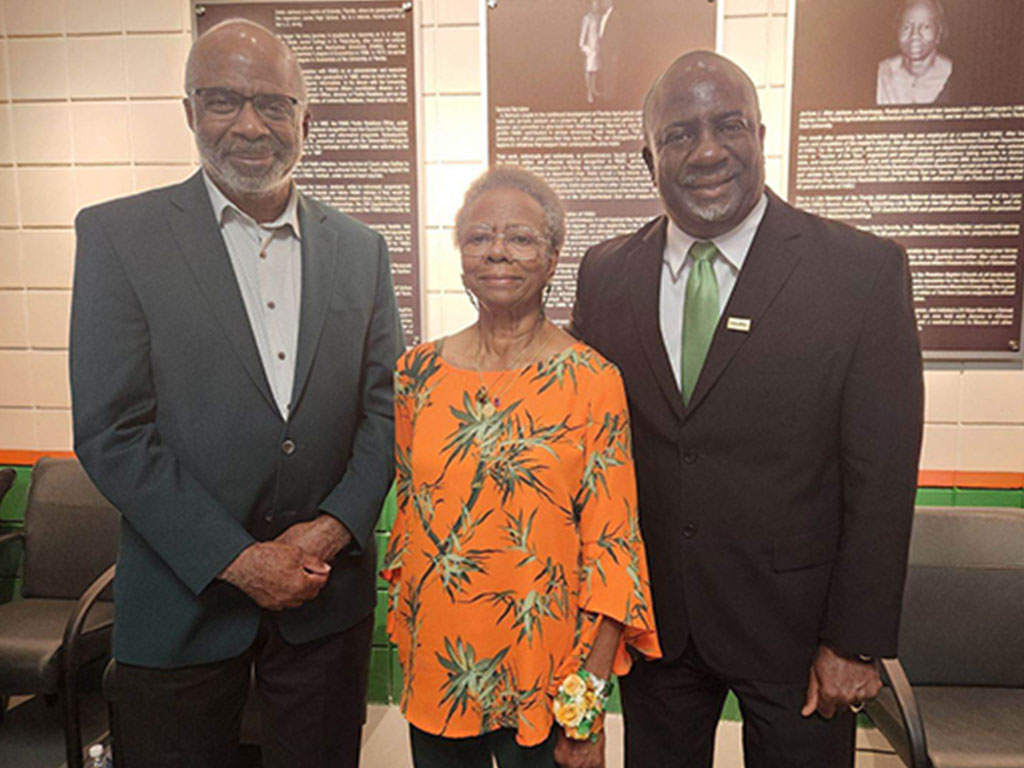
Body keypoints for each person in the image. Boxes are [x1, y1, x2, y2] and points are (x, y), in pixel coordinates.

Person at [571, 51, 923, 767]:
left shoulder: (861, 272)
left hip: (801, 640)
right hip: (658, 631)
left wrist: (855, 642)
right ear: (649, 156)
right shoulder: (605, 275)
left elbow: (882, 473)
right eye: (678, 134)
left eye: (727, 125)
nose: (706, 150)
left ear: (761, 134)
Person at [70, 19, 403, 768]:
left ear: (304, 120)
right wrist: (236, 559)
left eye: (272, 104)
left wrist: (329, 530)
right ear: (190, 113)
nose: (250, 124)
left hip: (325, 602)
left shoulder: (361, 251)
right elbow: (112, 430)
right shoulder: (121, 238)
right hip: (182, 601)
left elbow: (386, 413)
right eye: (223, 101)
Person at [384, 166, 660, 768]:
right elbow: (410, 519)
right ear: (460, 256)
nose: (498, 252)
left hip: (548, 677)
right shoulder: (416, 375)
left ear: (554, 255)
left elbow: (614, 550)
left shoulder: (593, 380)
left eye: (521, 238)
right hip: (441, 671)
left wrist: (585, 706)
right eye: (479, 236)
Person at [877, 0, 952, 105]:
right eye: (906, 27)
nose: (914, 35)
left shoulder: (956, 76)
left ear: (938, 33)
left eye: (926, 27)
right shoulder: (881, 73)